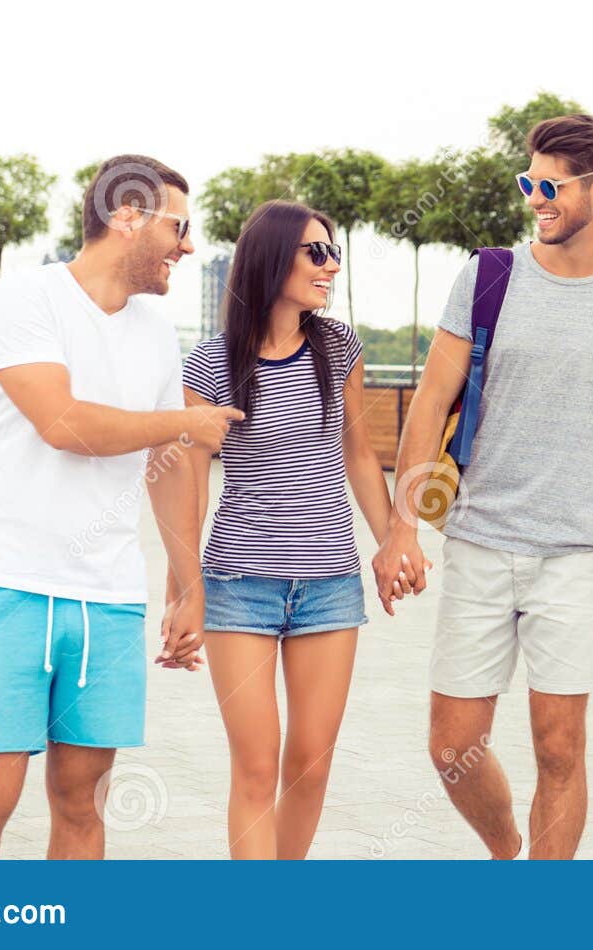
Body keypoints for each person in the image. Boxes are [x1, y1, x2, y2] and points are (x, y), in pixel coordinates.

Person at [373, 114, 593, 860]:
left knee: (558, 747)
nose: (536, 198)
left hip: (580, 551)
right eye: (528, 182)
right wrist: (401, 527)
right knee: (453, 744)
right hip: (479, 540)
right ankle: (508, 849)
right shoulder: (489, 276)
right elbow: (429, 400)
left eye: (551, 185)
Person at [0, 155, 243, 860]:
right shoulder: (24, 300)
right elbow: (64, 424)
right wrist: (182, 423)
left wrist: (185, 583)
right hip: (6, 587)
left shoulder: (156, 335)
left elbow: (166, 471)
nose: (189, 246)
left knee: (83, 806)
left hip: (107, 602)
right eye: (180, 226)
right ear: (127, 216)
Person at [180, 200, 393, 859]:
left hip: (330, 583)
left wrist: (393, 543)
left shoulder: (339, 347)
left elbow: (358, 452)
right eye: (316, 252)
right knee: (255, 766)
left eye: (334, 253)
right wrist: (186, 589)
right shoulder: (211, 364)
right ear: (272, 260)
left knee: (311, 763)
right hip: (238, 585)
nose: (331, 266)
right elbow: (189, 482)